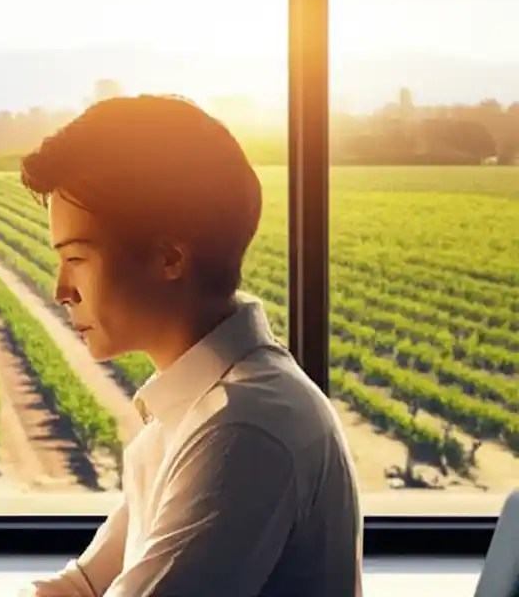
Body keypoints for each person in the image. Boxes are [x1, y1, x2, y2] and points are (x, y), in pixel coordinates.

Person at [20, 95, 362, 597]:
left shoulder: (244, 430)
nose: (61, 290)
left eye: (77, 258)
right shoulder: (199, 406)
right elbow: (83, 588)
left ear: (170, 257)